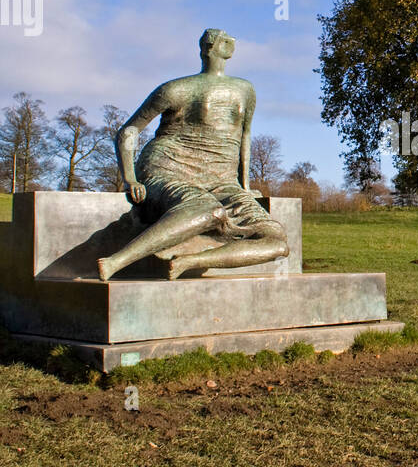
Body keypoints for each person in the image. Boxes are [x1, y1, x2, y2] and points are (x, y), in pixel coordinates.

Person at [97, 28, 288, 281]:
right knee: (210, 212)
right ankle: (115, 262)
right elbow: (128, 131)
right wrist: (130, 178)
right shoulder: (176, 89)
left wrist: (245, 186)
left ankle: (189, 261)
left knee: (277, 241)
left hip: (221, 180)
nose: (230, 42)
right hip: (169, 167)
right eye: (223, 39)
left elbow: (244, 136)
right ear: (208, 48)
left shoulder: (245, 90)